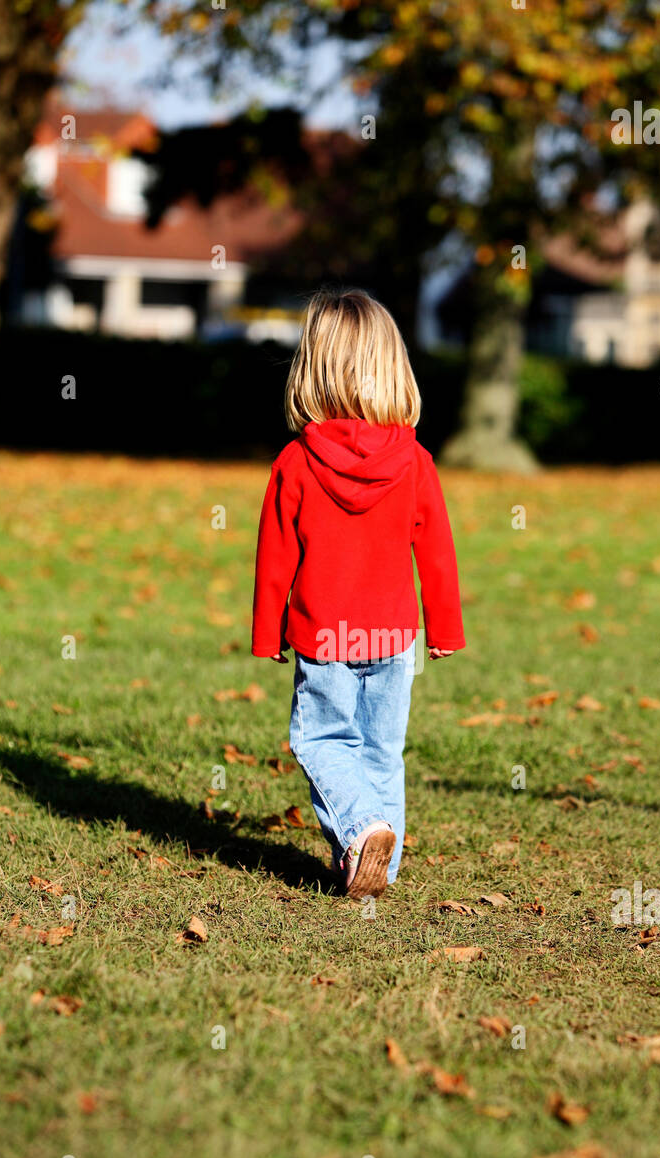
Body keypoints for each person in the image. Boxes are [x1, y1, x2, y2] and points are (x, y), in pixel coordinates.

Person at [252, 287, 465, 898]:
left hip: (325, 632)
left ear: (313, 369)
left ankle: (363, 829)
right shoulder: (416, 461)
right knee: (381, 751)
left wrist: (267, 633)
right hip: (395, 636)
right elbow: (437, 550)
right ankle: (375, 874)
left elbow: (275, 557)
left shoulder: (296, 462)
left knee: (320, 739)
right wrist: (445, 629)